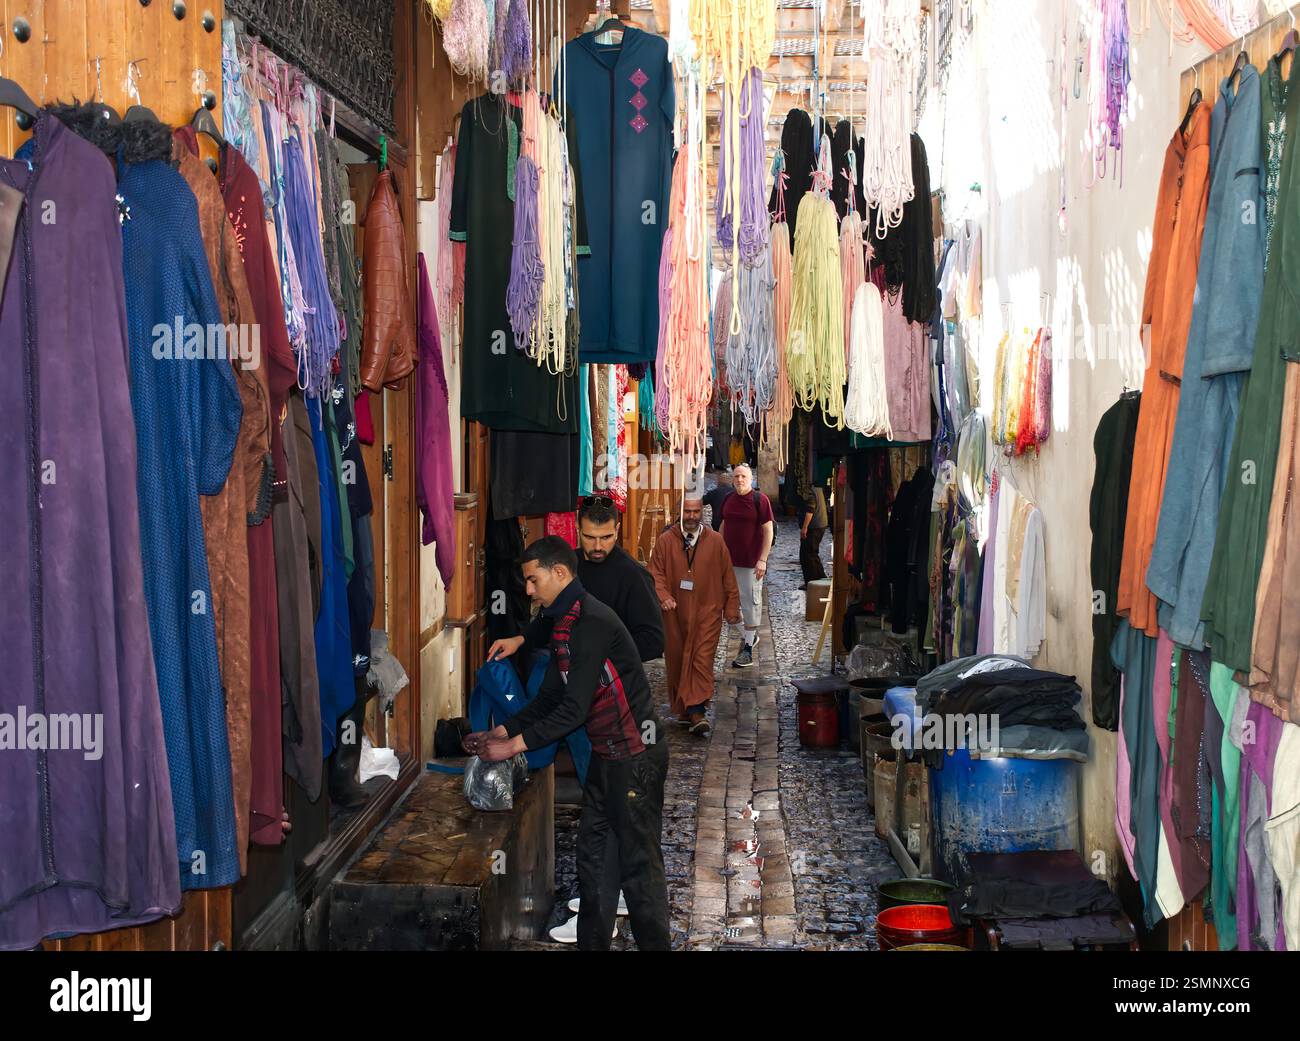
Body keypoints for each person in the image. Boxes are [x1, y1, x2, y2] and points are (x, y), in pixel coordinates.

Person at [473, 537, 670, 951]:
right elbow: (549, 698)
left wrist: (513, 748)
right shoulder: (562, 620)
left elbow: (573, 711)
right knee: (594, 861)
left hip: (635, 760)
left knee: (639, 871)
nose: (527, 590)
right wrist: (502, 731)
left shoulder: (592, 623)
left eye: (533, 579)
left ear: (559, 573)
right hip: (605, 759)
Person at [649, 493, 741, 736]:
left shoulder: (716, 541)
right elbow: (655, 574)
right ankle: (684, 710)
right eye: (687, 512)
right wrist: (663, 596)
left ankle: (697, 710)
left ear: (702, 512)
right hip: (675, 613)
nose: (691, 516)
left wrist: (732, 607)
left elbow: (728, 576)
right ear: (680, 513)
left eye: (695, 511)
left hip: (708, 611)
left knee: (701, 660)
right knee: (678, 661)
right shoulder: (666, 541)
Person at [575, 495, 664, 662]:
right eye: (589, 537)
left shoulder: (634, 575)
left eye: (606, 537)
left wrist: (602, 654)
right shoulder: (569, 565)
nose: (598, 547)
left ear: (617, 530)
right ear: (577, 528)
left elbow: (653, 640)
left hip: (616, 681)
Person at [720, 463, 774, 668]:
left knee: (750, 604)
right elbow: (724, 524)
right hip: (729, 562)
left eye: (743, 476)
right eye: (736, 477)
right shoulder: (728, 499)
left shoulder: (760, 500)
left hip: (751, 563)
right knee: (727, 604)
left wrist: (763, 559)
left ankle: (748, 650)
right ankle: (749, 635)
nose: (739, 480)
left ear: (750, 478)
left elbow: (768, 530)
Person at [799, 485, 829, 589]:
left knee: (806, 555)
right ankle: (820, 578)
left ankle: (812, 583)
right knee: (812, 553)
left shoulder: (810, 490)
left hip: (814, 526)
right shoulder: (818, 487)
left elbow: (810, 509)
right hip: (821, 524)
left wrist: (804, 527)